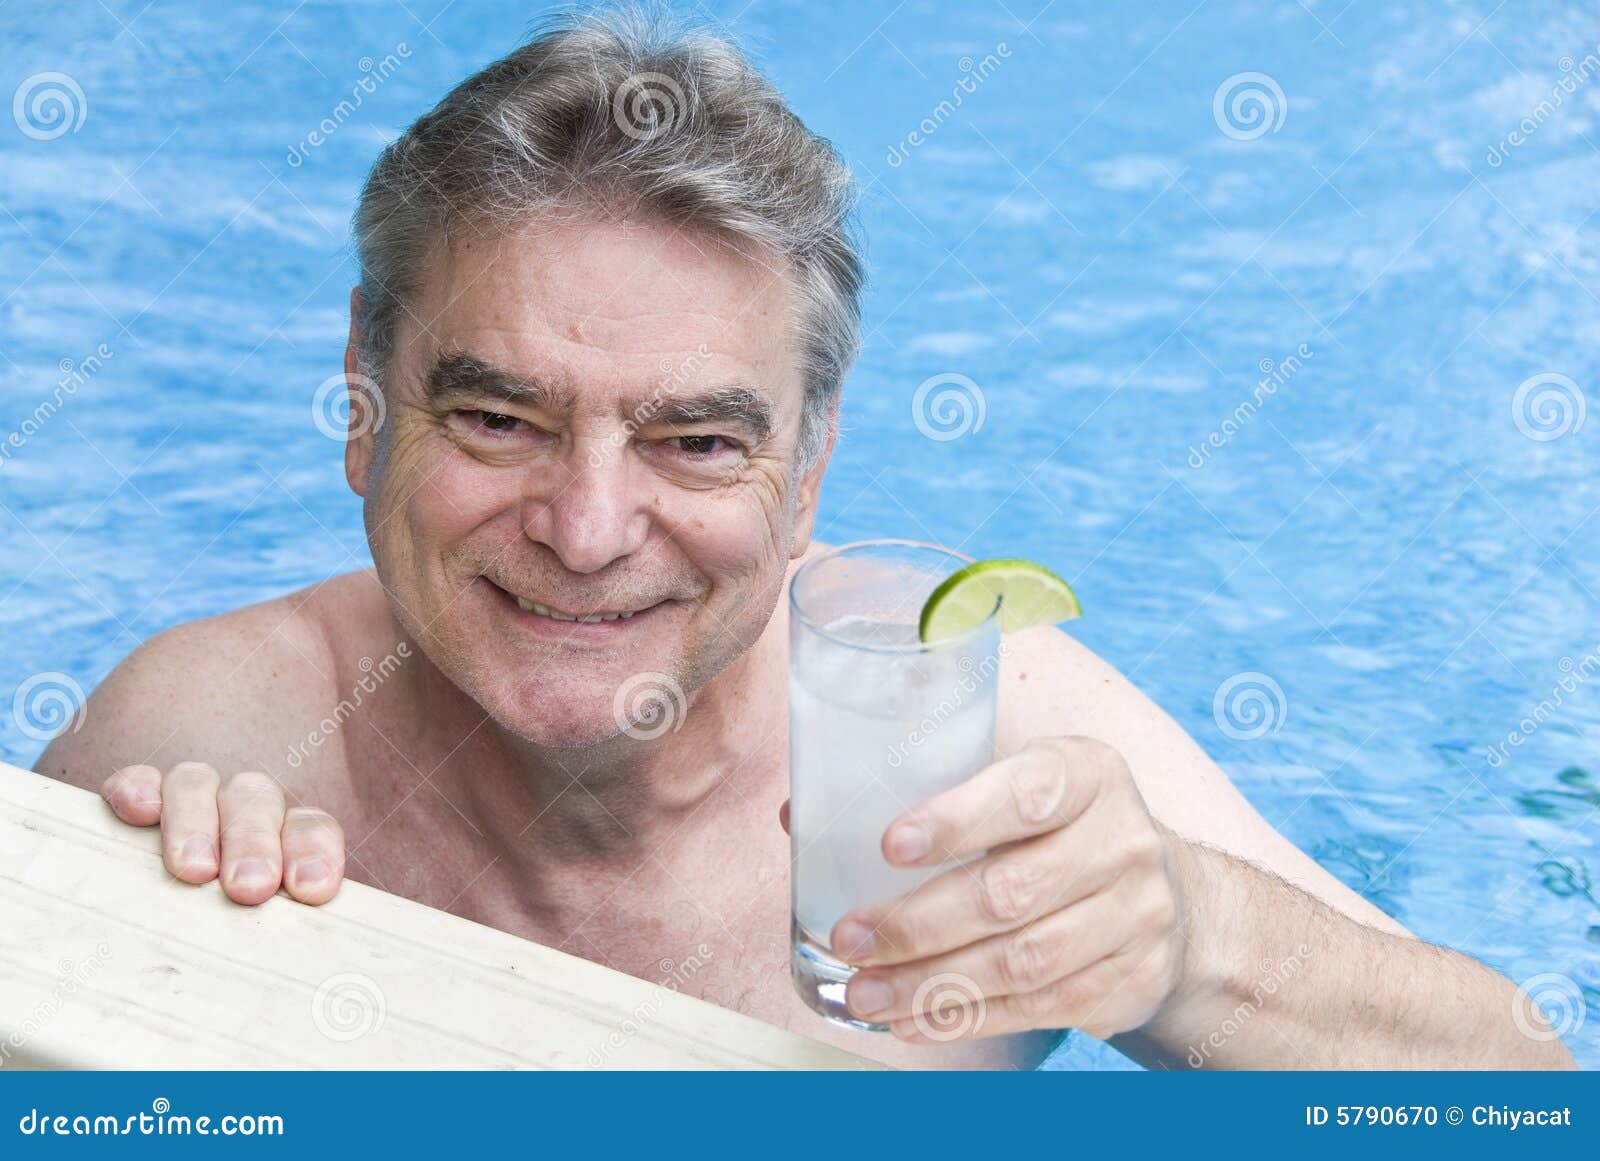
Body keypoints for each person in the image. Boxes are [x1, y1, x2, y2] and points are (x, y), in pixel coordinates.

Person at [35, 8, 1574, 1070]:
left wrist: (1190, 941)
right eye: (499, 420)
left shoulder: (967, 734)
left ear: (810, 472)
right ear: (366, 408)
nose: (585, 528)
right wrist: (118, 950)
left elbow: (1519, 1089)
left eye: (697, 441)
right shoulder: (211, 739)